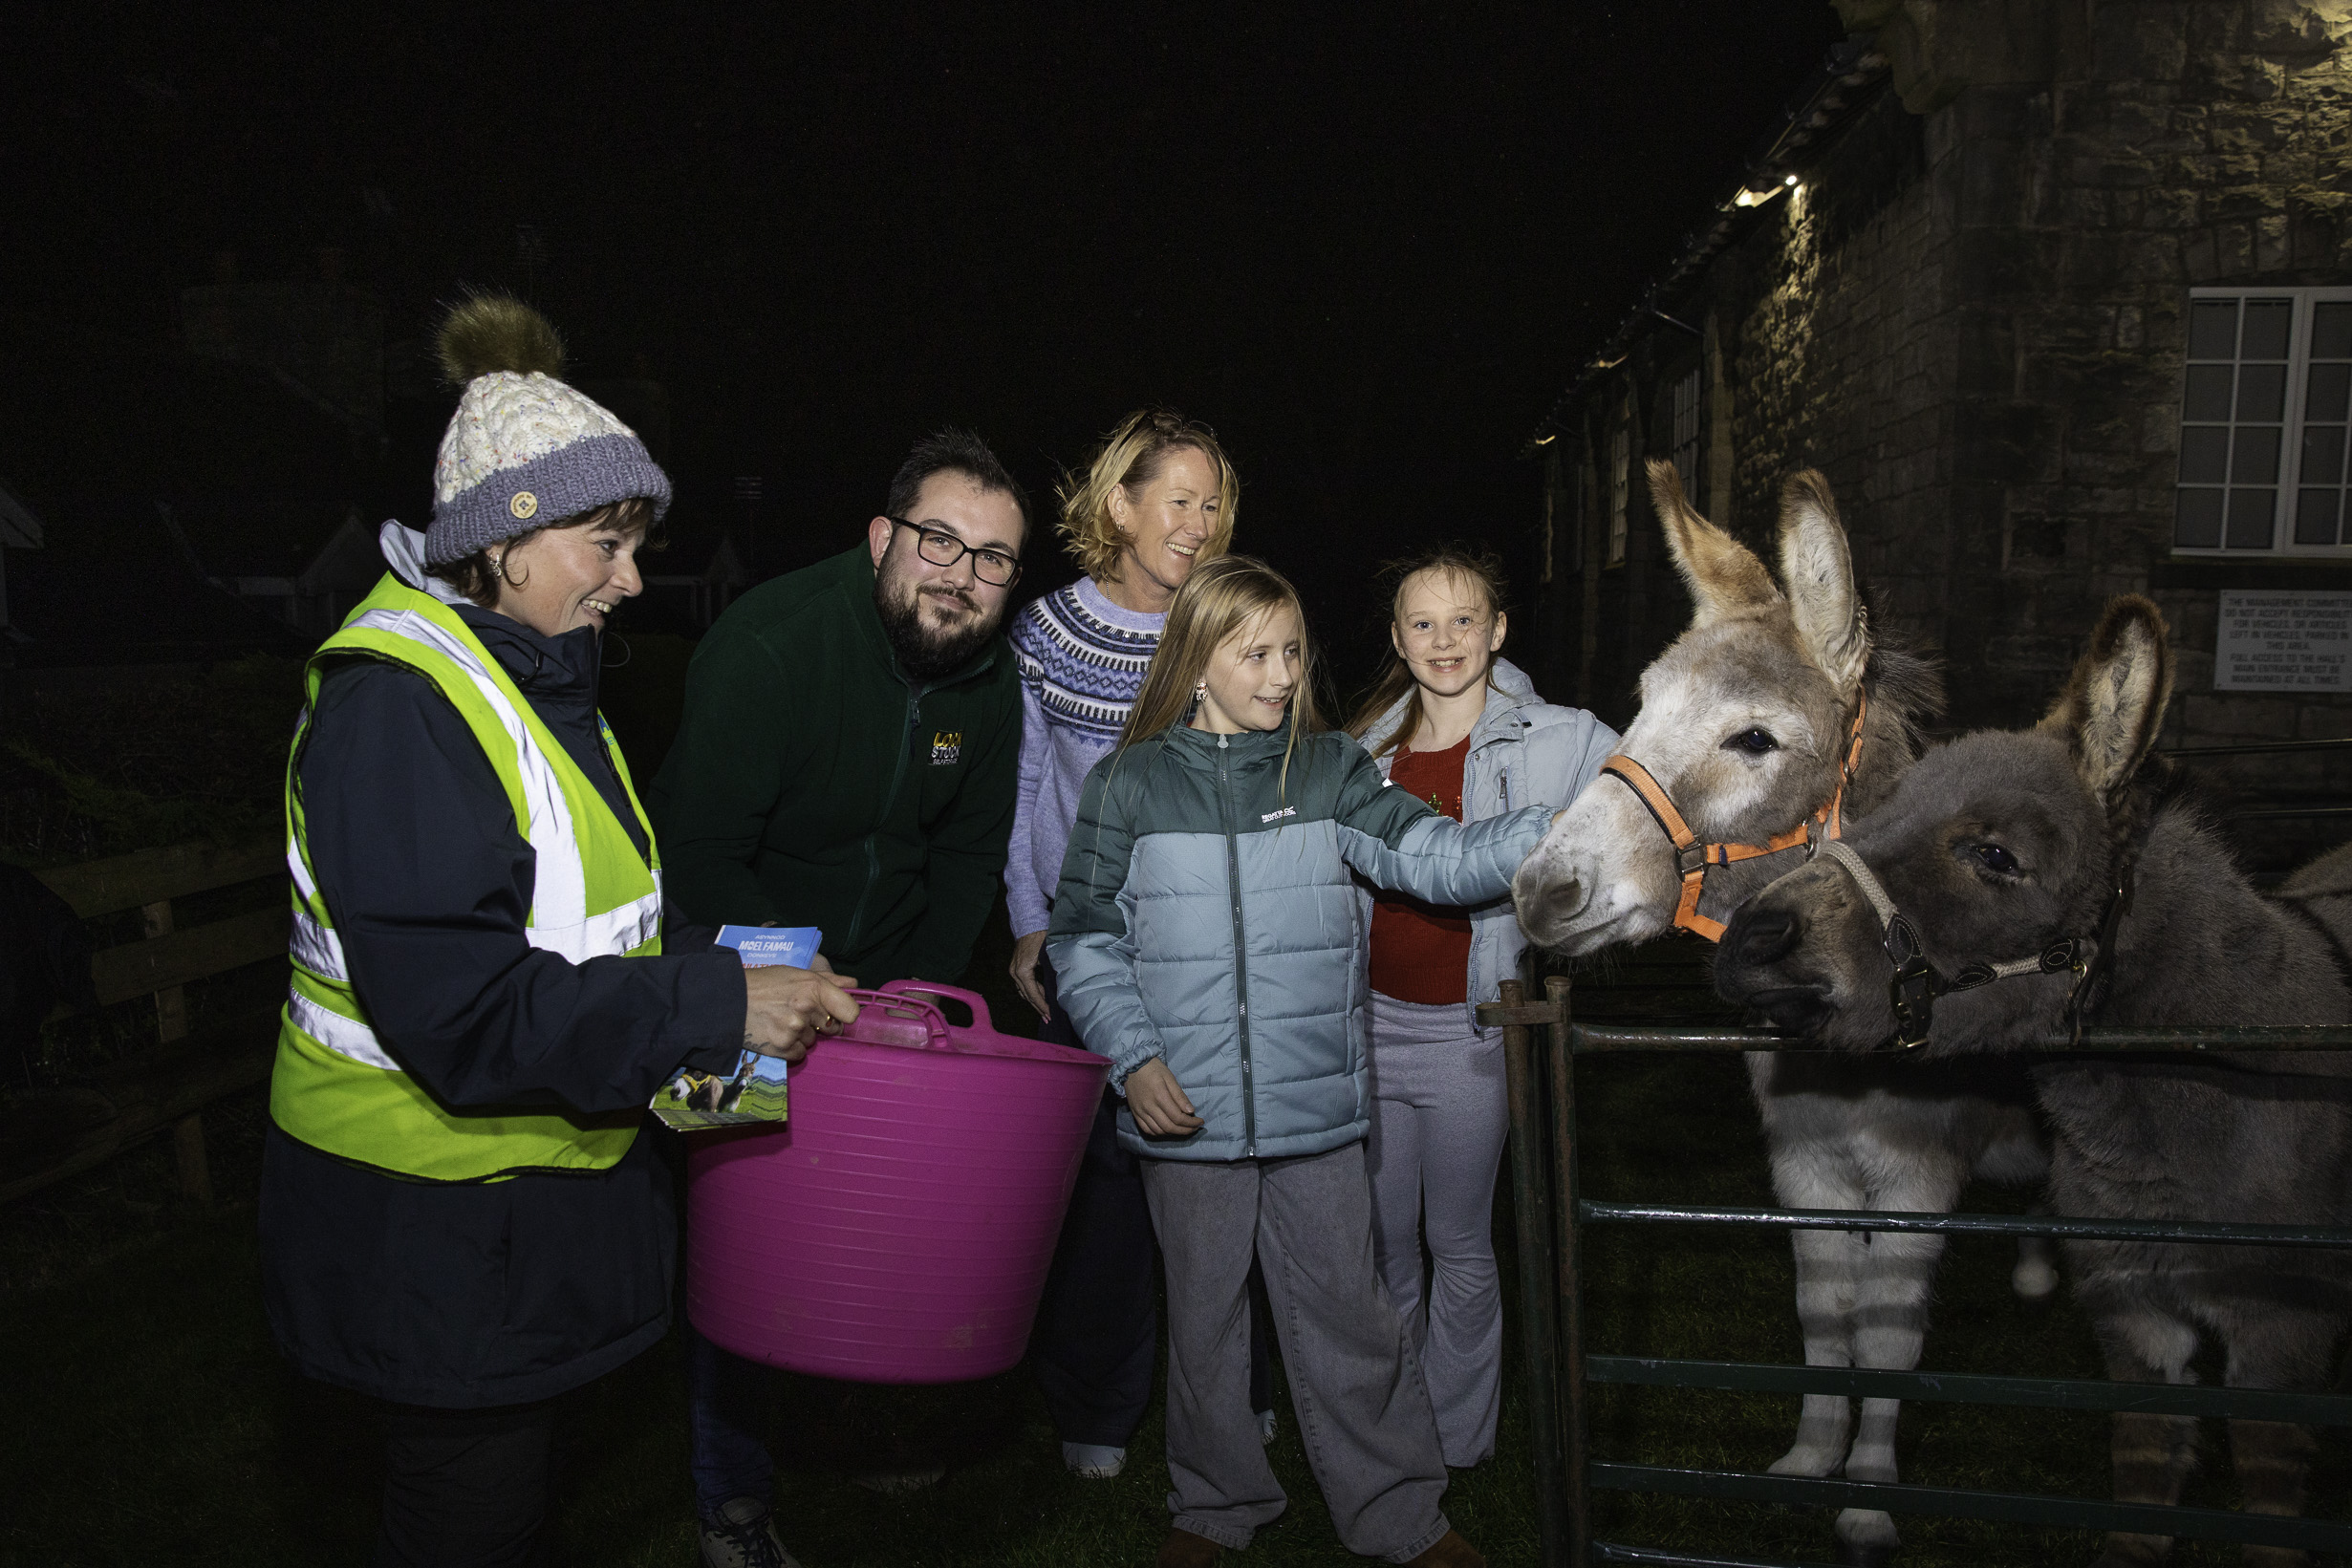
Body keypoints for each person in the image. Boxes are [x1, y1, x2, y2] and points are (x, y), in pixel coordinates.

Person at [258, 295, 861, 1568]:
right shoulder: (399, 709)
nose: (633, 579)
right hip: (429, 1232)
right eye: (608, 541)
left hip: (522, 1229)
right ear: (508, 539)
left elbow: (612, 918)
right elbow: (462, 1014)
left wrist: (758, 969)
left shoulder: (533, 678)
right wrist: (716, 1009)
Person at [1049, 555, 1555, 1568]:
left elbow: (1440, 858)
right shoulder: (1129, 784)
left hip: (1315, 1115)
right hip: (1180, 1113)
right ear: (1197, 661)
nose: (1281, 674)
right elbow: (1083, 941)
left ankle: (1402, 1515)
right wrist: (1133, 1059)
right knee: (1202, 1329)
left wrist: (1567, 828)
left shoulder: (1328, 770)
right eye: (1255, 654)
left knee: (1353, 1323)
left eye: (1291, 651)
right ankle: (1213, 1508)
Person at [649, 427, 1027, 1564]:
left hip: (883, 995)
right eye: (939, 541)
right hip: (738, 973)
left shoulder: (988, 677)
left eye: (994, 558)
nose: (961, 575)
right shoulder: (768, 646)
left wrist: (904, 1002)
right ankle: (733, 1496)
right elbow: (700, 849)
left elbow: (965, 860)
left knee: (872, 1226)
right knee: (738, 1237)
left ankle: (864, 1422)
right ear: (882, 538)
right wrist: (791, 984)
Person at [1003, 408, 1270, 1481]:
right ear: (1119, 503)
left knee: (1224, 1172)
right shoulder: (1046, 633)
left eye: (1214, 505)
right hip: (1091, 948)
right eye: (1180, 500)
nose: (1200, 524)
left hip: (1210, 949)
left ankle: (1240, 1394)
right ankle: (1098, 1411)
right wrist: (1030, 923)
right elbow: (1024, 794)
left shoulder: (1226, 625)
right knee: (1102, 1192)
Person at [1345, 548, 1617, 1468]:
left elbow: (1646, 814)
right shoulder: (1363, 751)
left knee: (1457, 1235)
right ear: (1397, 638)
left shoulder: (1562, 738)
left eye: (1465, 620)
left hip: (1472, 1031)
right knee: (1383, 1243)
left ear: (1498, 630)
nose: (1444, 640)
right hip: (1370, 1028)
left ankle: (1458, 1438)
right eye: (1422, 623)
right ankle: (1394, 1425)